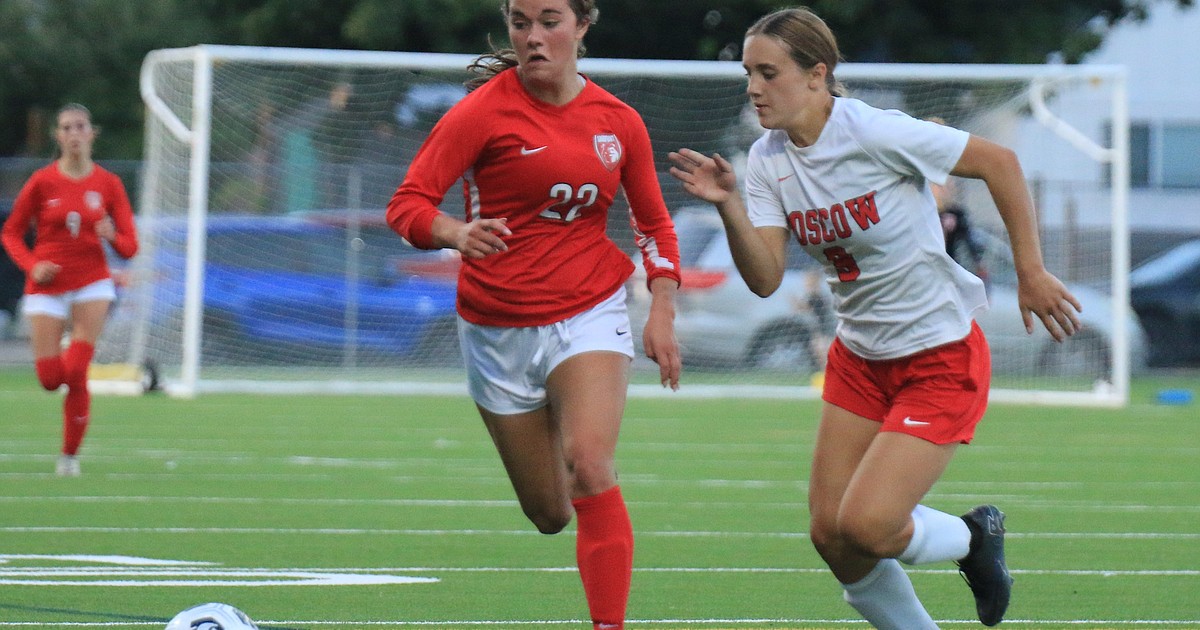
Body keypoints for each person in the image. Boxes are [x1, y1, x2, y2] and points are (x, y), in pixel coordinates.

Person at [668, 7, 1082, 628]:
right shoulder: (766, 160)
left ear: (817, 75)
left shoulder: (874, 131)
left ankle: (974, 539)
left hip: (938, 355)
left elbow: (999, 161)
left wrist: (1031, 271)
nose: (754, 87)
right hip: (860, 358)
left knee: (866, 525)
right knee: (830, 534)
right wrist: (728, 204)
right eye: (748, 73)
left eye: (768, 72)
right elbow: (764, 279)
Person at [385, 1, 682, 628]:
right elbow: (407, 204)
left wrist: (662, 304)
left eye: (550, 20)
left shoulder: (618, 122)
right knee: (549, 513)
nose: (533, 37)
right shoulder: (480, 113)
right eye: (521, 22)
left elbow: (653, 221)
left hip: (589, 310)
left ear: (583, 25)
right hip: (496, 328)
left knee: (591, 462)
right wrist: (453, 231)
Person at [1, 103, 139, 477]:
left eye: (81, 126)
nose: (74, 133)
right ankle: (68, 439)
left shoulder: (109, 183)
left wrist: (113, 237)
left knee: (76, 369)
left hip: (92, 283)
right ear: (58, 136)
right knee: (49, 380)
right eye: (66, 127)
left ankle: (69, 456)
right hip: (47, 285)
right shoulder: (42, 182)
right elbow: (11, 232)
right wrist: (33, 265)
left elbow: (131, 246)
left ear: (92, 133)